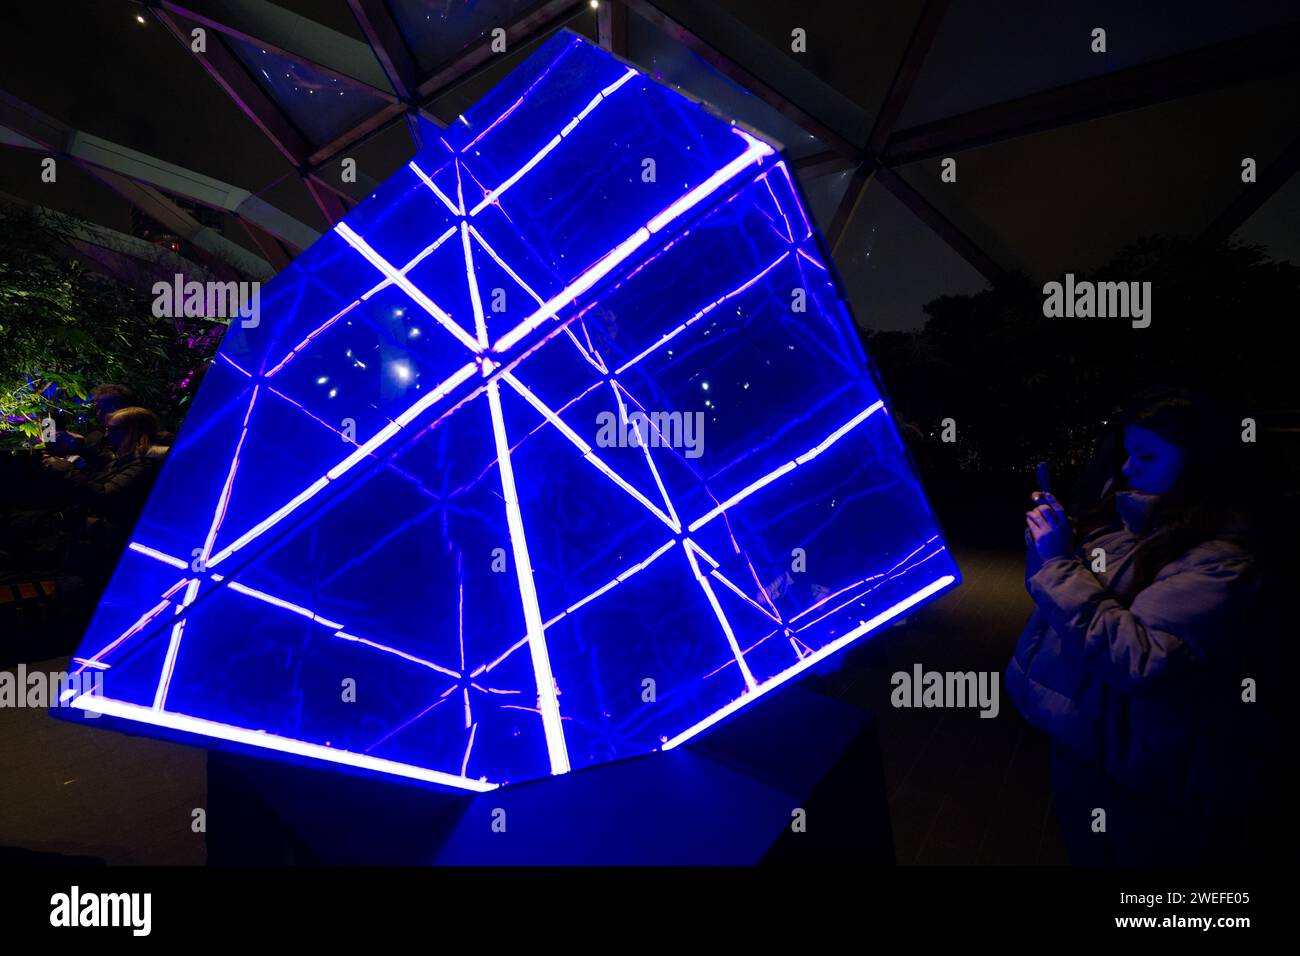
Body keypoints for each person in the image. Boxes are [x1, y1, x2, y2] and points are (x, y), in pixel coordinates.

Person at [1005, 388, 1267, 865]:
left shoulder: (1223, 565)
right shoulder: (1125, 522)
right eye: (1127, 453)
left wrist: (1060, 561)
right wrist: (1046, 548)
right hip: (1084, 740)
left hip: (1143, 772)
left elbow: (1138, 658)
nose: (1127, 468)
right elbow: (1052, 599)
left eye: (1146, 455)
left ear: (1201, 462)